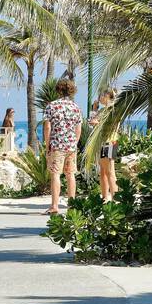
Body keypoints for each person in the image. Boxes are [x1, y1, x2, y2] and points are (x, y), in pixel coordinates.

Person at [44, 78, 83, 216]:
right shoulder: (75, 107)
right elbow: (78, 128)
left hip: (56, 144)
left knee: (55, 174)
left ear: (58, 90)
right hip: (71, 145)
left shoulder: (52, 106)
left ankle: (54, 206)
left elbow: (48, 126)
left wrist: (47, 144)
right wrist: (74, 143)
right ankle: (71, 205)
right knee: (70, 174)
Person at [92, 89, 119, 203]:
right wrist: (94, 109)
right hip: (103, 142)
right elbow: (92, 123)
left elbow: (97, 123)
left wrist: (96, 121)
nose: (99, 98)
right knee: (103, 172)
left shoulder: (112, 110)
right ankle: (104, 196)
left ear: (107, 96)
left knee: (110, 172)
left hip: (109, 142)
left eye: (101, 95)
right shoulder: (103, 110)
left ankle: (115, 198)